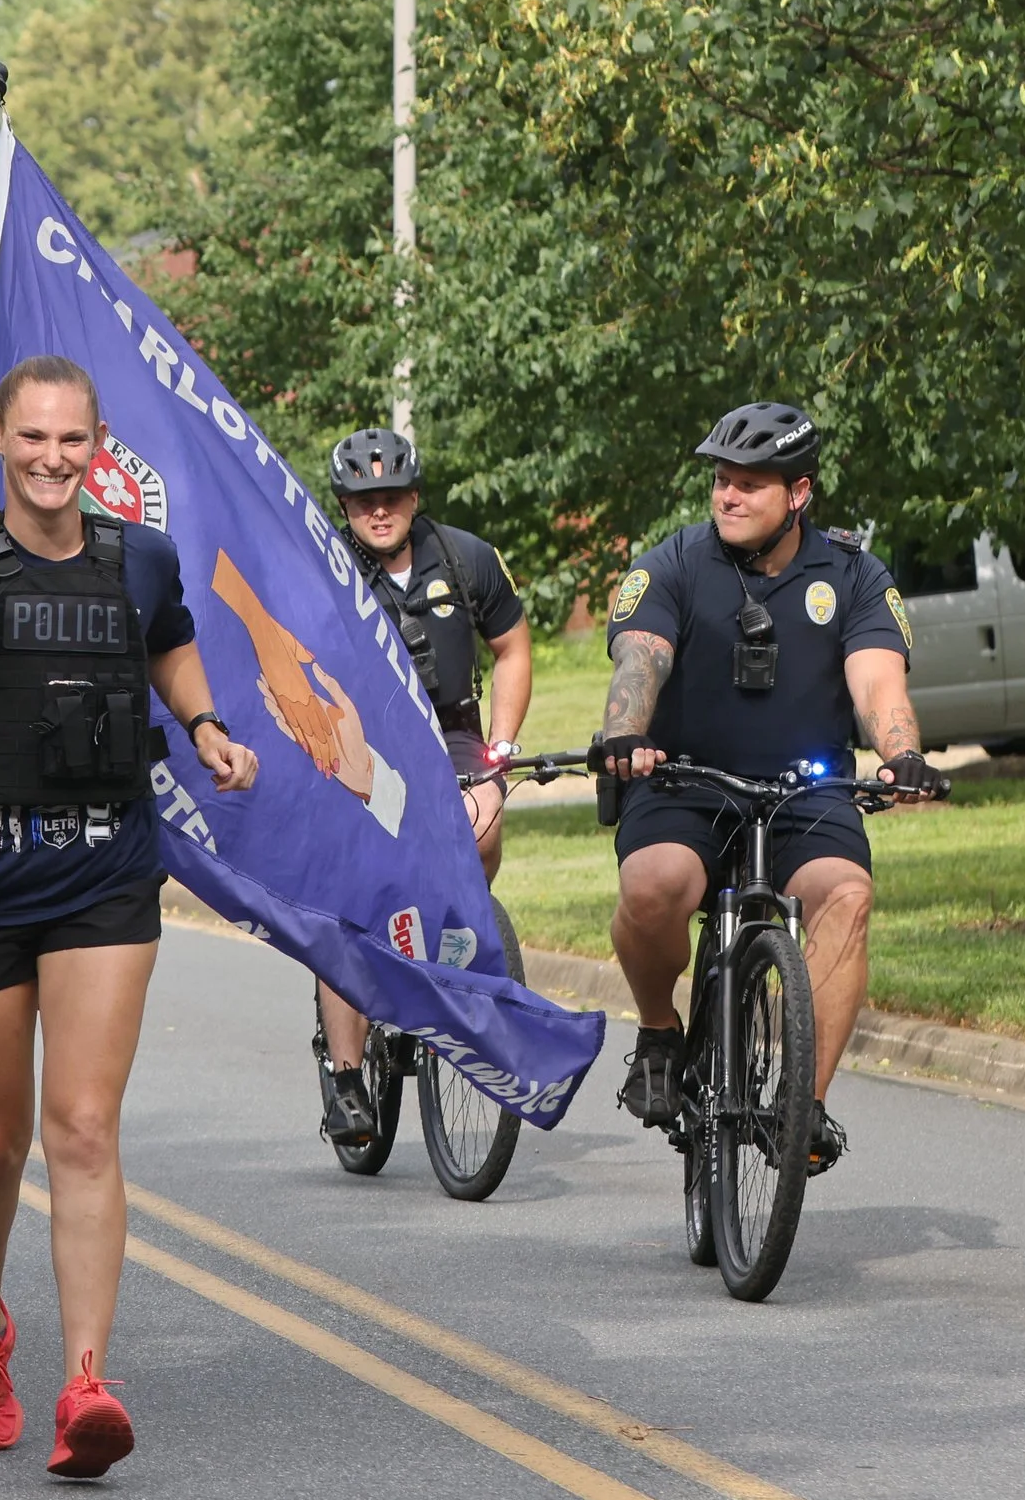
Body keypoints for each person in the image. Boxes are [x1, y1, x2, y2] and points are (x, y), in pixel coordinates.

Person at [0, 355, 258, 1477]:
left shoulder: (139, 557)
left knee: (80, 1128)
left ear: (98, 443)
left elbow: (166, 638)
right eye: (33, 439)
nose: (53, 460)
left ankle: (84, 1382)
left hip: (102, 872)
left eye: (73, 441)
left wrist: (205, 724)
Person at [597, 402, 936, 1175]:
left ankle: (799, 1110)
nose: (728, 497)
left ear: (799, 493)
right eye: (722, 481)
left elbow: (879, 685)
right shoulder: (676, 562)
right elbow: (640, 656)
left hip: (803, 793)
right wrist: (626, 732)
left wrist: (901, 754)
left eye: (750, 483)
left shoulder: (852, 574)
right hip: (684, 781)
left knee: (845, 895)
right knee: (656, 886)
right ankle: (658, 1032)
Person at [313, 427, 533, 1146]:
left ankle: (453, 935)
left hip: (452, 729)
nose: (379, 511)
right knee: (347, 903)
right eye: (362, 500)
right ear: (344, 505)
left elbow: (512, 646)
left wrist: (500, 750)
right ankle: (347, 1077)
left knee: (482, 828)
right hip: (356, 733)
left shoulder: (466, 559)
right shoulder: (321, 566)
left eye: (391, 497)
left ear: (414, 496)